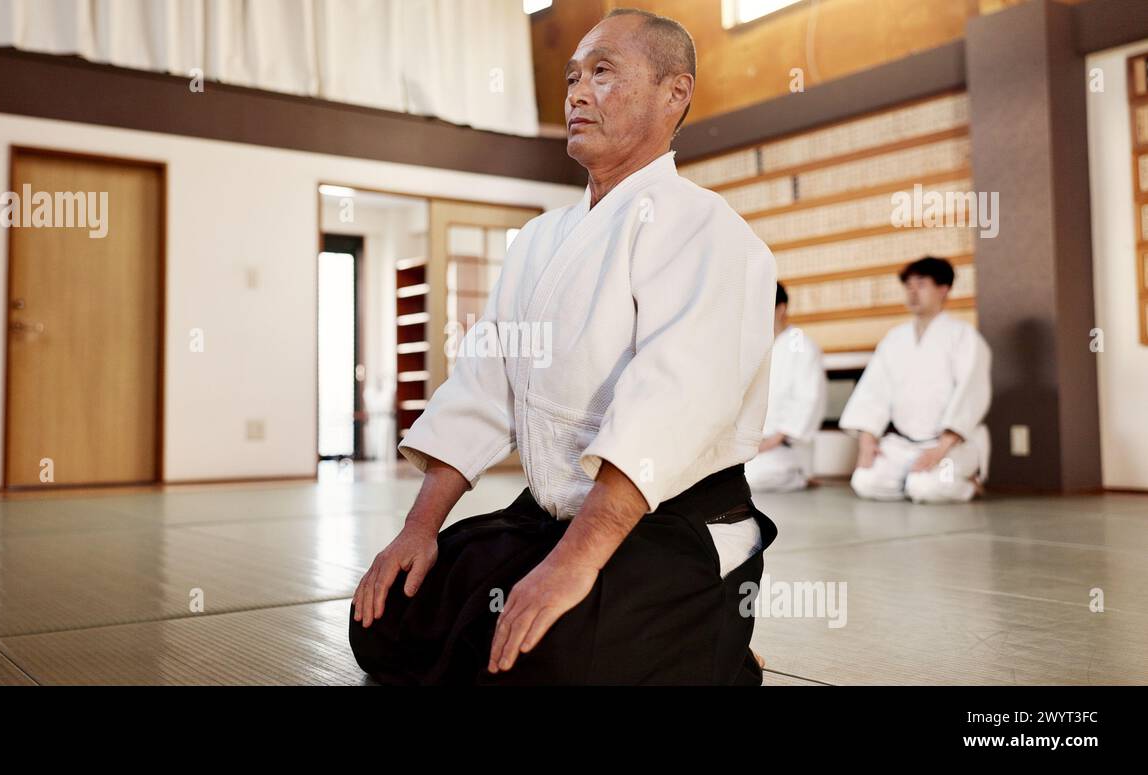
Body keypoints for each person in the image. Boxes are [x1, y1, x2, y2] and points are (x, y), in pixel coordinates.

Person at [348, 8, 779, 685]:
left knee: (550, 660)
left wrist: (575, 561)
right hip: (554, 514)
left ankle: (717, 636)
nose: (576, 92)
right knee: (385, 621)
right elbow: (482, 386)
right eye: (573, 76)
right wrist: (417, 527)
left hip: (671, 523)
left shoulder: (710, 231)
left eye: (602, 73)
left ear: (675, 93)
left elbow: (672, 403)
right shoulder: (540, 242)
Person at [839, 256, 992, 503]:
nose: (912, 292)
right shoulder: (894, 339)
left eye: (921, 285)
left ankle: (969, 486)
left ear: (943, 289)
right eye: (908, 286)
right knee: (864, 481)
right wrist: (867, 443)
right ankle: (910, 482)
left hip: (951, 445)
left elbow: (971, 395)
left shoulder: (965, 337)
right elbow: (872, 392)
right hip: (903, 445)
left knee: (926, 488)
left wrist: (941, 448)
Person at [745, 283, 827, 493]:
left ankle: (800, 476)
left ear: (780, 309)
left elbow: (808, 400)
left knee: (751, 476)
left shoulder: (800, 345)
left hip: (786, 446)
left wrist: (772, 441)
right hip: (753, 444)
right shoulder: (756, 347)